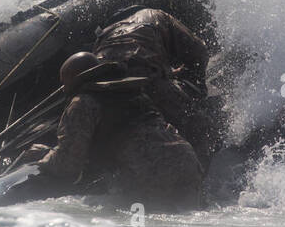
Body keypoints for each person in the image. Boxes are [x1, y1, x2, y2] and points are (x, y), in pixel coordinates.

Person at [35, 51, 203, 210]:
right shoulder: (132, 92)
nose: (64, 89)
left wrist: (42, 159)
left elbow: (68, 165)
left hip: (148, 171)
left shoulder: (82, 103)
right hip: (187, 163)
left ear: (73, 80)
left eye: (64, 83)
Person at [91, 6, 213, 162]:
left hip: (109, 94)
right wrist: (197, 85)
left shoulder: (102, 37)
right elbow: (198, 51)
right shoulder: (156, 15)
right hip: (150, 83)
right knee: (199, 128)